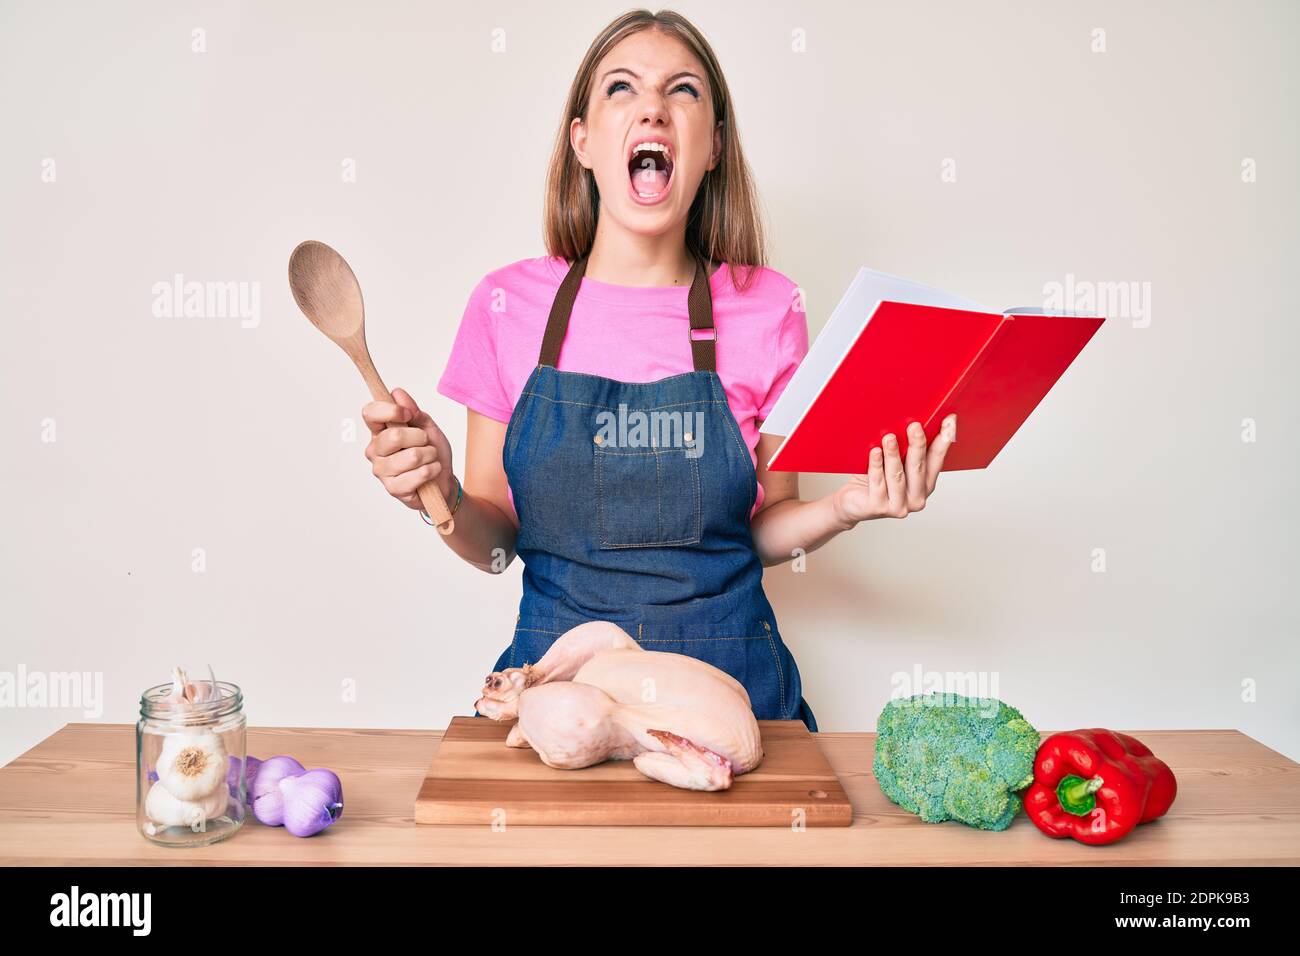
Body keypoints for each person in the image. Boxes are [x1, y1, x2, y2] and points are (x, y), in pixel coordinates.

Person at [361, 10, 957, 731]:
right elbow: (495, 548)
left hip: (735, 696)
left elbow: (763, 531)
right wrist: (438, 491)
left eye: (683, 91)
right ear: (583, 142)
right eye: (621, 88)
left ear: (711, 148)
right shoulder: (505, 306)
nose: (652, 107)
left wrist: (847, 509)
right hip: (558, 695)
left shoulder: (769, 307)